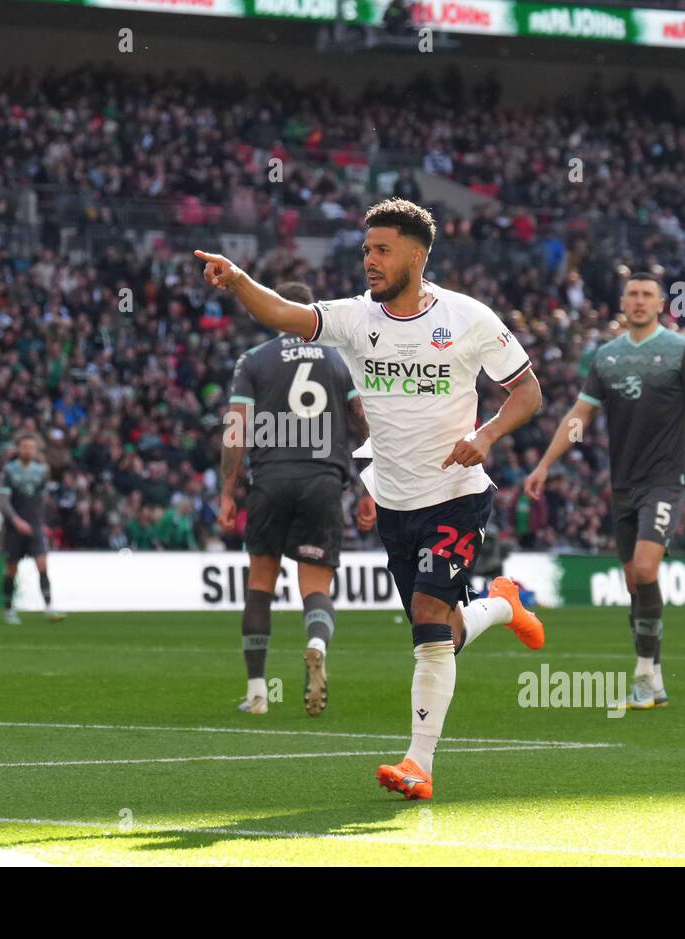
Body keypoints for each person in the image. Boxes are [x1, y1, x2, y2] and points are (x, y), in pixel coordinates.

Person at [196, 197, 546, 801]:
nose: (370, 262)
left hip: (456, 495)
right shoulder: (357, 319)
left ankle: (418, 763)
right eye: (365, 251)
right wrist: (239, 280)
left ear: (418, 254)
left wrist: (486, 435)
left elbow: (527, 391)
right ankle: (502, 606)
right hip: (394, 500)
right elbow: (285, 313)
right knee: (439, 628)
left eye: (382, 250)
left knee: (431, 625)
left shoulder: (469, 319)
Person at [525, 273, 685, 710]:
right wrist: (546, 463)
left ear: (660, 303)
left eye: (647, 295)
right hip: (621, 485)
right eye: (632, 294)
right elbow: (579, 416)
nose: (639, 301)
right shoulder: (606, 357)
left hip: (665, 482)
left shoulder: (681, 351)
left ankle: (643, 676)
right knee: (634, 581)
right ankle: (654, 680)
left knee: (644, 569)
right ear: (622, 302)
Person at [220, 280, 369, 717]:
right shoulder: (339, 359)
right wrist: (370, 489)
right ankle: (316, 643)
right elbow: (365, 424)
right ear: (311, 311)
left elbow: (235, 429)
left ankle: (257, 693)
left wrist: (227, 491)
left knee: (261, 584)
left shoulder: (253, 360)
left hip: (270, 478)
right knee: (316, 586)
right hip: (323, 480)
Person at [0, 433, 64, 624]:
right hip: (14, 528)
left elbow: (41, 499)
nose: (28, 450)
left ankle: (50, 607)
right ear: (18, 449)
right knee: (11, 569)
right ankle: (9, 610)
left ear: (35, 450)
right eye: (24, 446)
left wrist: (39, 521)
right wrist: (16, 521)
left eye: (31, 447)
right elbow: (3, 501)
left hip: (34, 526)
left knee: (43, 566)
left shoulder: (41, 471)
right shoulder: (9, 471)